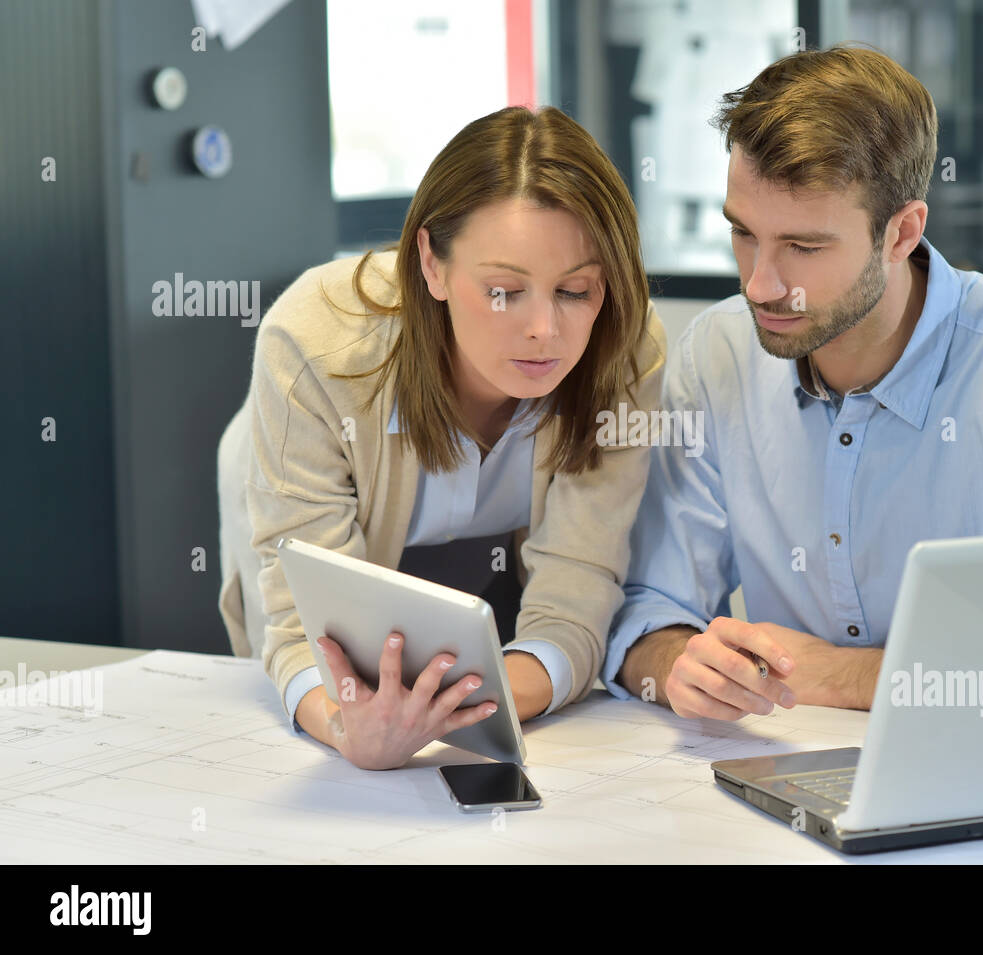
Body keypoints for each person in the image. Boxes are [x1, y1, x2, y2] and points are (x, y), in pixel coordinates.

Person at [604, 45, 983, 721]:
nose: (759, 284)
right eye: (744, 233)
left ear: (901, 233)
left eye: (803, 247)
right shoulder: (715, 356)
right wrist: (678, 663)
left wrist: (840, 675)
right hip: (785, 783)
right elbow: (652, 609)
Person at [217, 106, 665, 769]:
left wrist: (469, 709)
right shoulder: (313, 346)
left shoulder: (622, 353)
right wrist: (352, 729)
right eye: (504, 290)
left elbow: (577, 591)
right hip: (308, 507)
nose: (545, 328)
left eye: (575, 290)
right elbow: (299, 628)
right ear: (430, 262)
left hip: (490, 579)